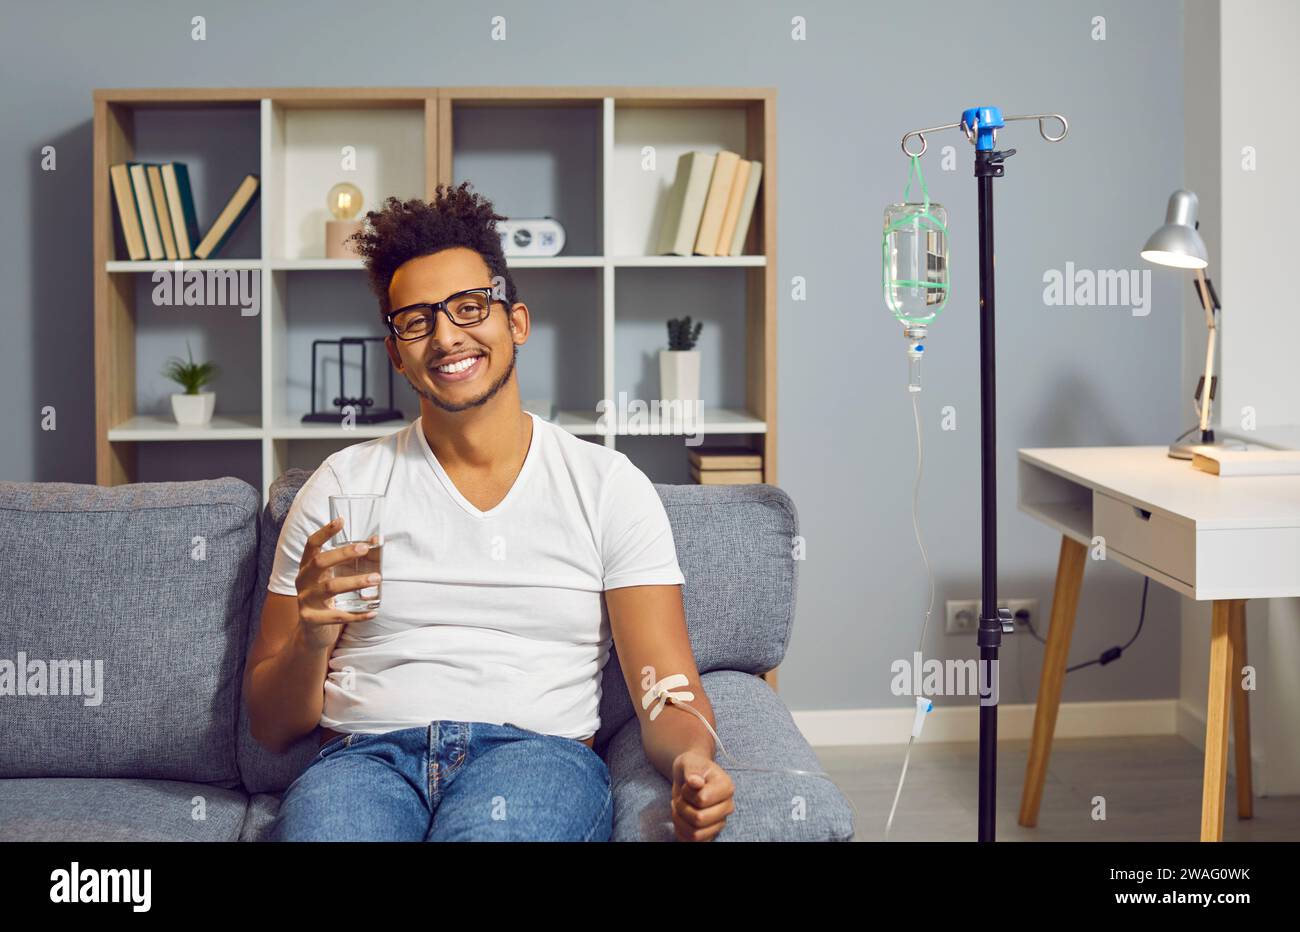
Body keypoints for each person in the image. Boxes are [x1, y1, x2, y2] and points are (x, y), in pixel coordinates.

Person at [245, 181, 735, 841]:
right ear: (396, 353)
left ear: (516, 322)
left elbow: (666, 690)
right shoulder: (341, 488)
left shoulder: (606, 485)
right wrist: (310, 637)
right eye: (417, 321)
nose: (446, 337)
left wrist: (693, 762)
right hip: (363, 763)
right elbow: (273, 729)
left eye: (469, 307)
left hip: (535, 759)